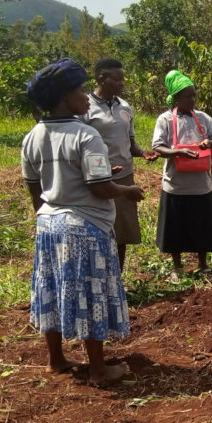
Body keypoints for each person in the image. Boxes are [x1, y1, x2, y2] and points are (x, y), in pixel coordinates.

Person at [20, 58, 145, 385]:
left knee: (53, 287)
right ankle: (99, 370)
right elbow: (100, 188)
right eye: (79, 90)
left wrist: (45, 213)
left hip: (49, 225)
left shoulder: (33, 135)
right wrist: (128, 190)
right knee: (91, 294)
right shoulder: (87, 135)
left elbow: (34, 183)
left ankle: (56, 360)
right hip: (84, 227)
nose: (86, 96)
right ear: (63, 97)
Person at [77, 58, 158, 270]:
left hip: (124, 177)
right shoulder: (85, 107)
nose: (122, 84)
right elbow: (78, 147)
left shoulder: (125, 107)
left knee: (121, 232)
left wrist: (143, 152)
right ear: (101, 79)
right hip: (96, 180)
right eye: (117, 79)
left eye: (123, 79)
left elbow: (130, 143)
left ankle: (117, 278)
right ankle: (98, 275)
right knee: (98, 230)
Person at [151, 71, 212, 282]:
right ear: (175, 98)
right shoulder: (165, 119)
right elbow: (157, 147)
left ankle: (203, 264)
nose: (191, 100)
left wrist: (209, 143)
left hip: (200, 184)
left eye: (193, 95)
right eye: (186, 96)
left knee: (202, 225)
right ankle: (177, 266)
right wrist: (178, 152)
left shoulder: (202, 118)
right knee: (175, 227)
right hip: (176, 184)